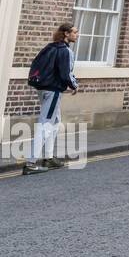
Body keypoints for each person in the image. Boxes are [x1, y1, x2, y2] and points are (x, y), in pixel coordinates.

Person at [24, 23, 80, 175]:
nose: (77, 34)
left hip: (42, 88)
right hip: (53, 90)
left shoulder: (50, 47)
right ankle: (30, 163)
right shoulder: (66, 51)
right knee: (45, 124)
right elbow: (66, 73)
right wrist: (75, 85)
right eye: (75, 32)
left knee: (55, 121)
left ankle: (48, 157)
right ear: (66, 34)